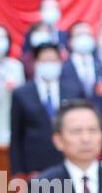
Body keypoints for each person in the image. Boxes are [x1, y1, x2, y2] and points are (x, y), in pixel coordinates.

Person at [9, 42, 81, 176]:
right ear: (36, 63)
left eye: (53, 60)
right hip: (34, 166)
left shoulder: (73, 91)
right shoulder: (22, 93)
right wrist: (18, 171)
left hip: (68, 163)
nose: (49, 64)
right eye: (44, 60)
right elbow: (16, 135)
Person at [61, 21, 102, 101]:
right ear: (70, 41)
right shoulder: (62, 68)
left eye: (88, 35)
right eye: (79, 35)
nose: (84, 38)